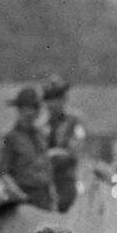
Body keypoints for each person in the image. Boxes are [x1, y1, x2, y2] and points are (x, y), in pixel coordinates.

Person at [0, 86, 54, 209]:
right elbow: (3, 172)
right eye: (30, 108)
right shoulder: (11, 137)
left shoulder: (41, 135)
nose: (34, 112)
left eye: (36, 108)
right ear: (20, 110)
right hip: (24, 198)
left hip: (44, 197)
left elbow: (46, 165)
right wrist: (18, 194)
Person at [43, 75, 86, 212]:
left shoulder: (74, 121)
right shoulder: (41, 126)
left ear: (64, 99)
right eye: (50, 99)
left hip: (68, 179)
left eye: (58, 98)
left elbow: (75, 148)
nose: (54, 103)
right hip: (46, 181)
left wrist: (54, 154)